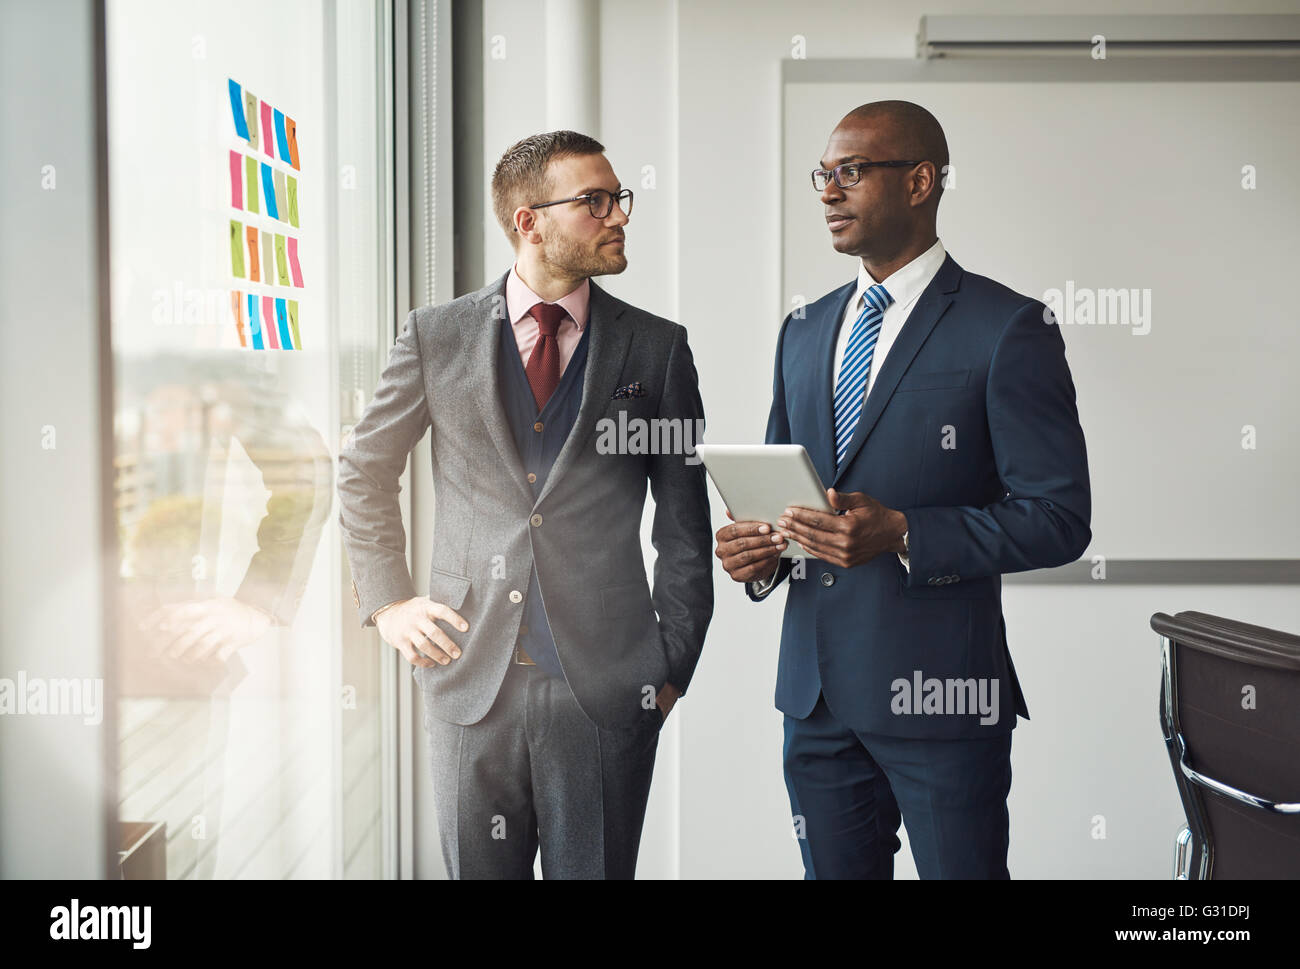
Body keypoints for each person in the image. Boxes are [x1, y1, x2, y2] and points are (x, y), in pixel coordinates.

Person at [715, 101, 1091, 879]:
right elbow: (793, 492)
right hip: (815, 702)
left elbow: (1059, 517)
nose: (827, 191)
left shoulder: (1009, 327)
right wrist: (761, 552)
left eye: (849, 172)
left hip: (944, 702)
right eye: (823, 174)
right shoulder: (805, 328)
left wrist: (906, 532)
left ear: (920, 181)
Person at [338, 130, 713, 879]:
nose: (618, 216)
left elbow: (683, 526)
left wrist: (669, 670)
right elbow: (362, 470)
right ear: (528, 221)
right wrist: (388, 604)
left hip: (607, 691)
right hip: (468, 682)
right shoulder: (435, 336)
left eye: (619, 200)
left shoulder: (656, 349)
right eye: (595, 202)